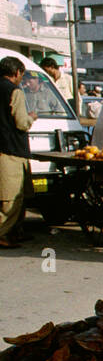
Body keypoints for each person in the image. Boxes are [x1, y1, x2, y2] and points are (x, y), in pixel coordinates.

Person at [0, 57, 34, 248]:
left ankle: (14, 232)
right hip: (10, 150)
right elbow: (21, 123)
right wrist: (31, 118)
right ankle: (2, 234)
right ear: (17, 73)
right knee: (11, 198)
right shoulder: (14, 91)